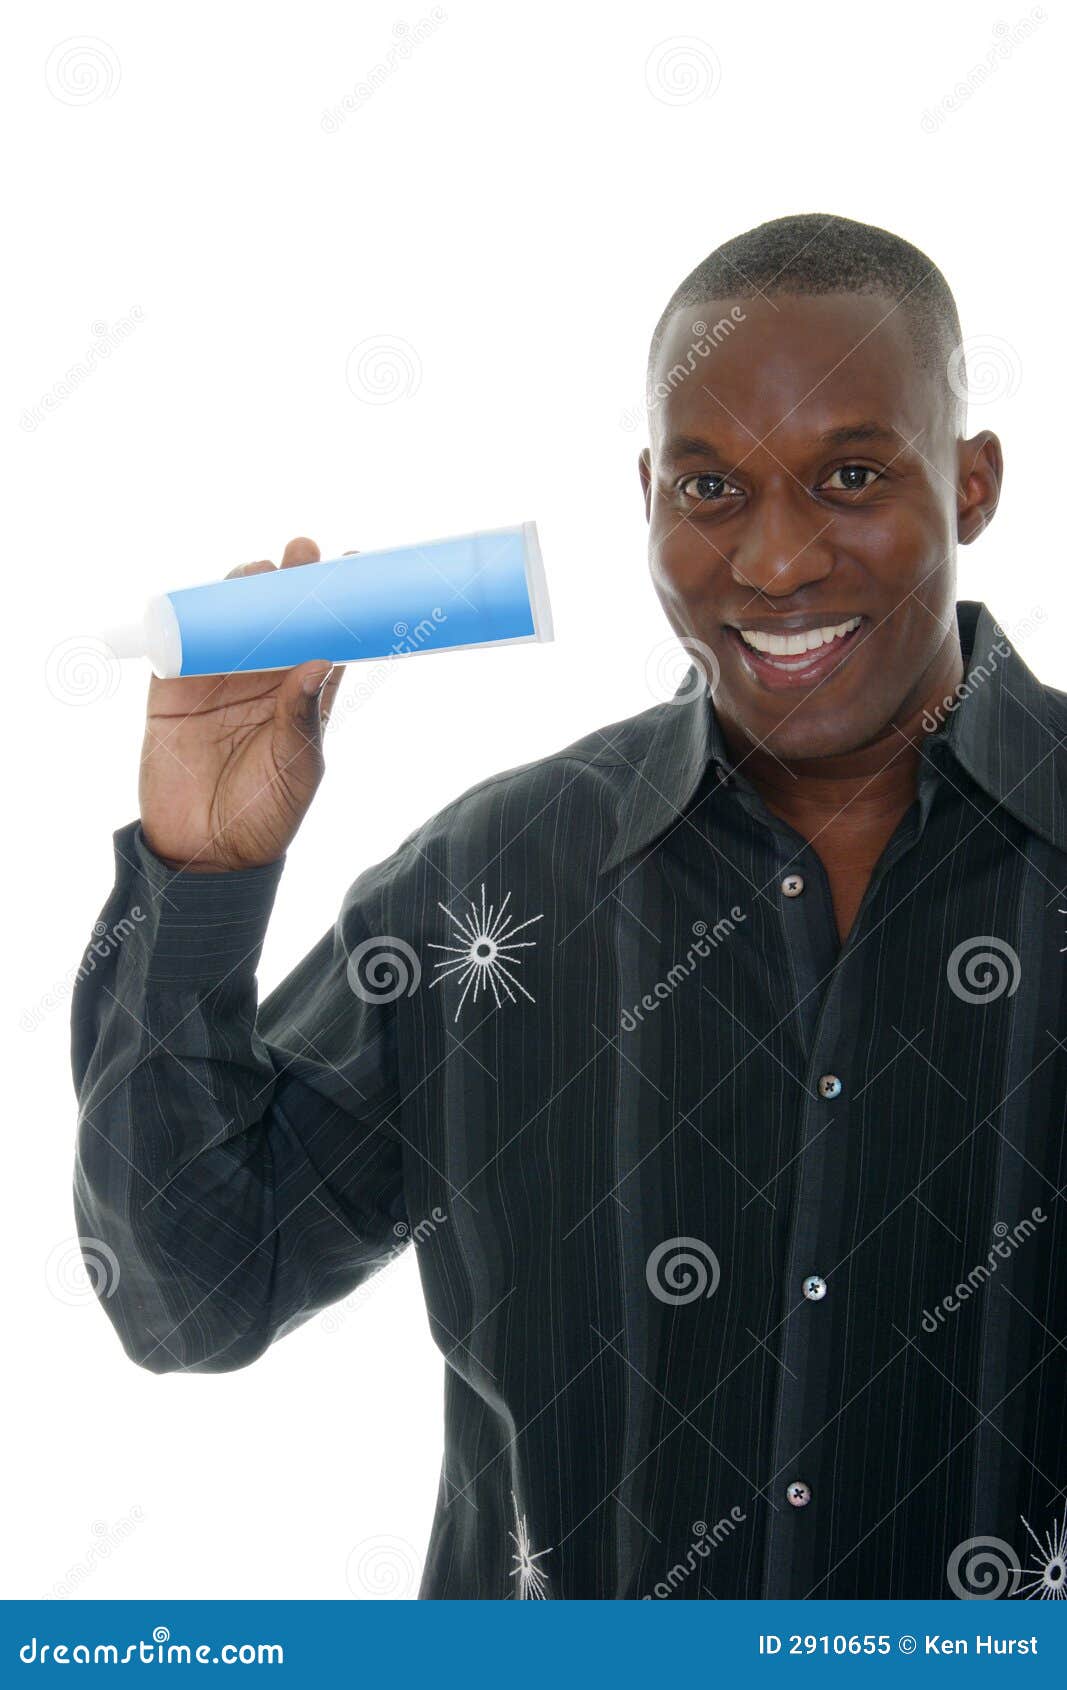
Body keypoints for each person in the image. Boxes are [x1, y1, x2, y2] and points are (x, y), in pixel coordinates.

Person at [71, 213, 1067, 1601]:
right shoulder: (495, 880)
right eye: (711, 490)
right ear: (649, 495)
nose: (776, 563)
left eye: (851, 475)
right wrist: (203, 872)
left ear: (971, 486)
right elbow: (189, 1293)